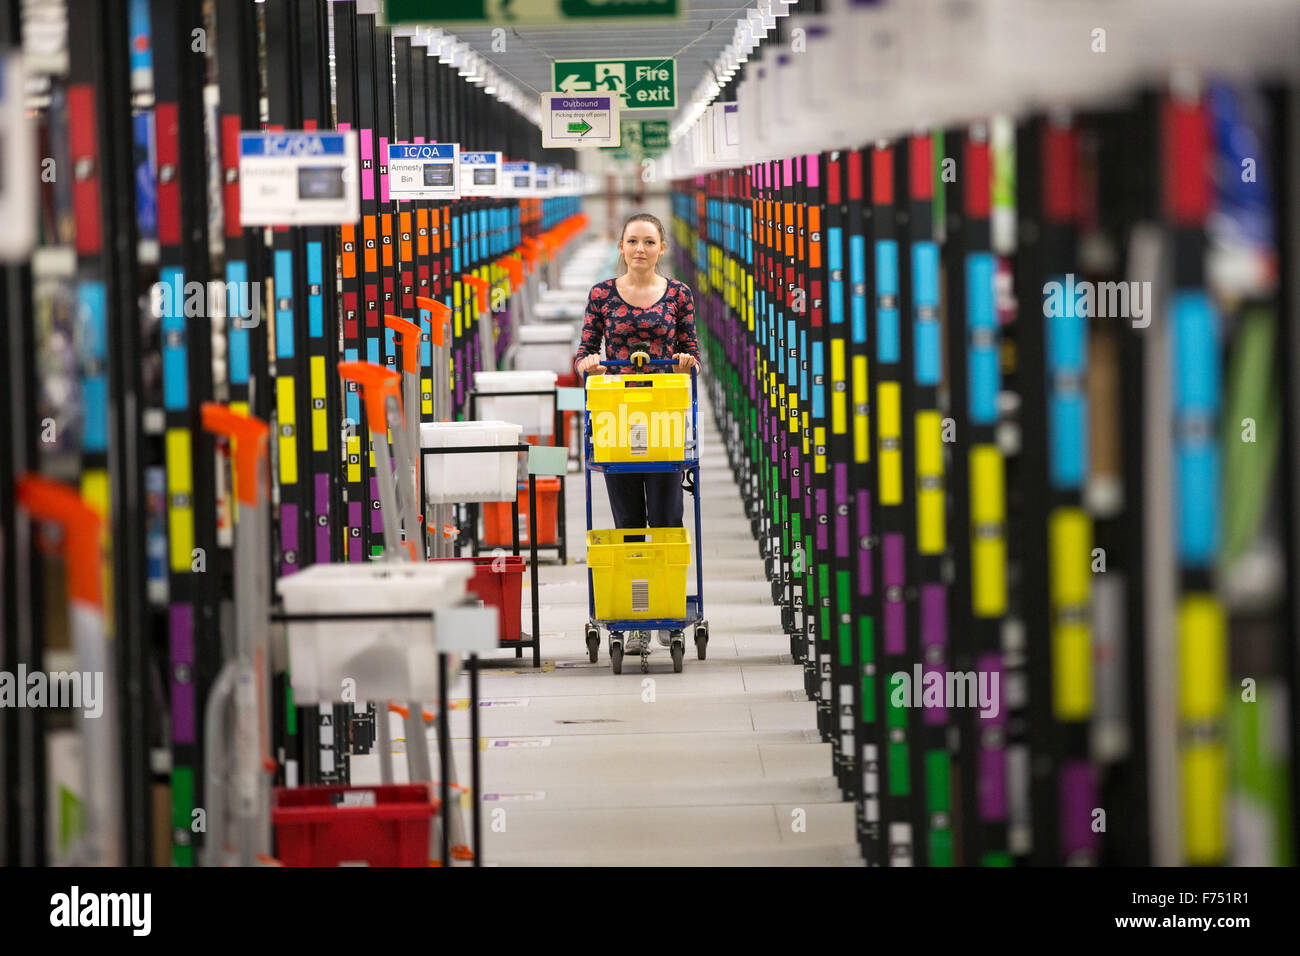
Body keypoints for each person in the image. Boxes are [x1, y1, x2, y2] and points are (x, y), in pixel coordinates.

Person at [575, 212, 700, 651]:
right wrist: (588, 364)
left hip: (665, 420)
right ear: (621, 247)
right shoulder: (602, 296)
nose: (641, 249)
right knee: (628, 523)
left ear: (661, 248)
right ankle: (635, 618)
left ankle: (666, 611)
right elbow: (585, 351)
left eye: (649, 241)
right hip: (616, 421)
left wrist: (687, 361)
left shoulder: (679, 294)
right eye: (633, 241)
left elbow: (692, 348)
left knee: (667, 520)